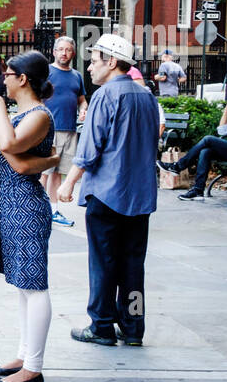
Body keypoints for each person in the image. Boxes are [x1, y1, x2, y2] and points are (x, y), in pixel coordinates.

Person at [58, 33, 162, 345]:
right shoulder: (146, 96)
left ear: (112, 62)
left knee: (103, 262)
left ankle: (101, 325)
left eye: (93, 61)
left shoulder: (105, 96)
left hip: (107, 193)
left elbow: (90, 149)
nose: (89, 68)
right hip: (140, 195)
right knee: (133, 266)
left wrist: (68, 182)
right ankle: (133, 327)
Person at [0, 52, 61, 382]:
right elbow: (17, 157)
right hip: (9, 205)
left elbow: (11, 151)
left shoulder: (38, 114)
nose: (1, 79)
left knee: (34, 287)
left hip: (26, 207)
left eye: (7, 73)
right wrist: (48, 160)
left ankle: (33, 367)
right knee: (23, 286)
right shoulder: (21, 113)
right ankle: (24, 355)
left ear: (22, 79)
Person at [157, 92, 227, 201]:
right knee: (206, 151)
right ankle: (198, 190)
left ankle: (177, 167)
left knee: (208, 139)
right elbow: (222, 131)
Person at [43, 35, 86, 227]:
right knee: (44, 172)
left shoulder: (76, 76)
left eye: (68, 50)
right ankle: (38, 210)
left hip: (69, 129)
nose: (64, 53)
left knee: (58, 174)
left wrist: (84, 108)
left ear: (73, 53)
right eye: (61, 49)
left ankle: (53, 210)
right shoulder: (47, 72)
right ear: (54, 52)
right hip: (49, 129)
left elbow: (81, 99)